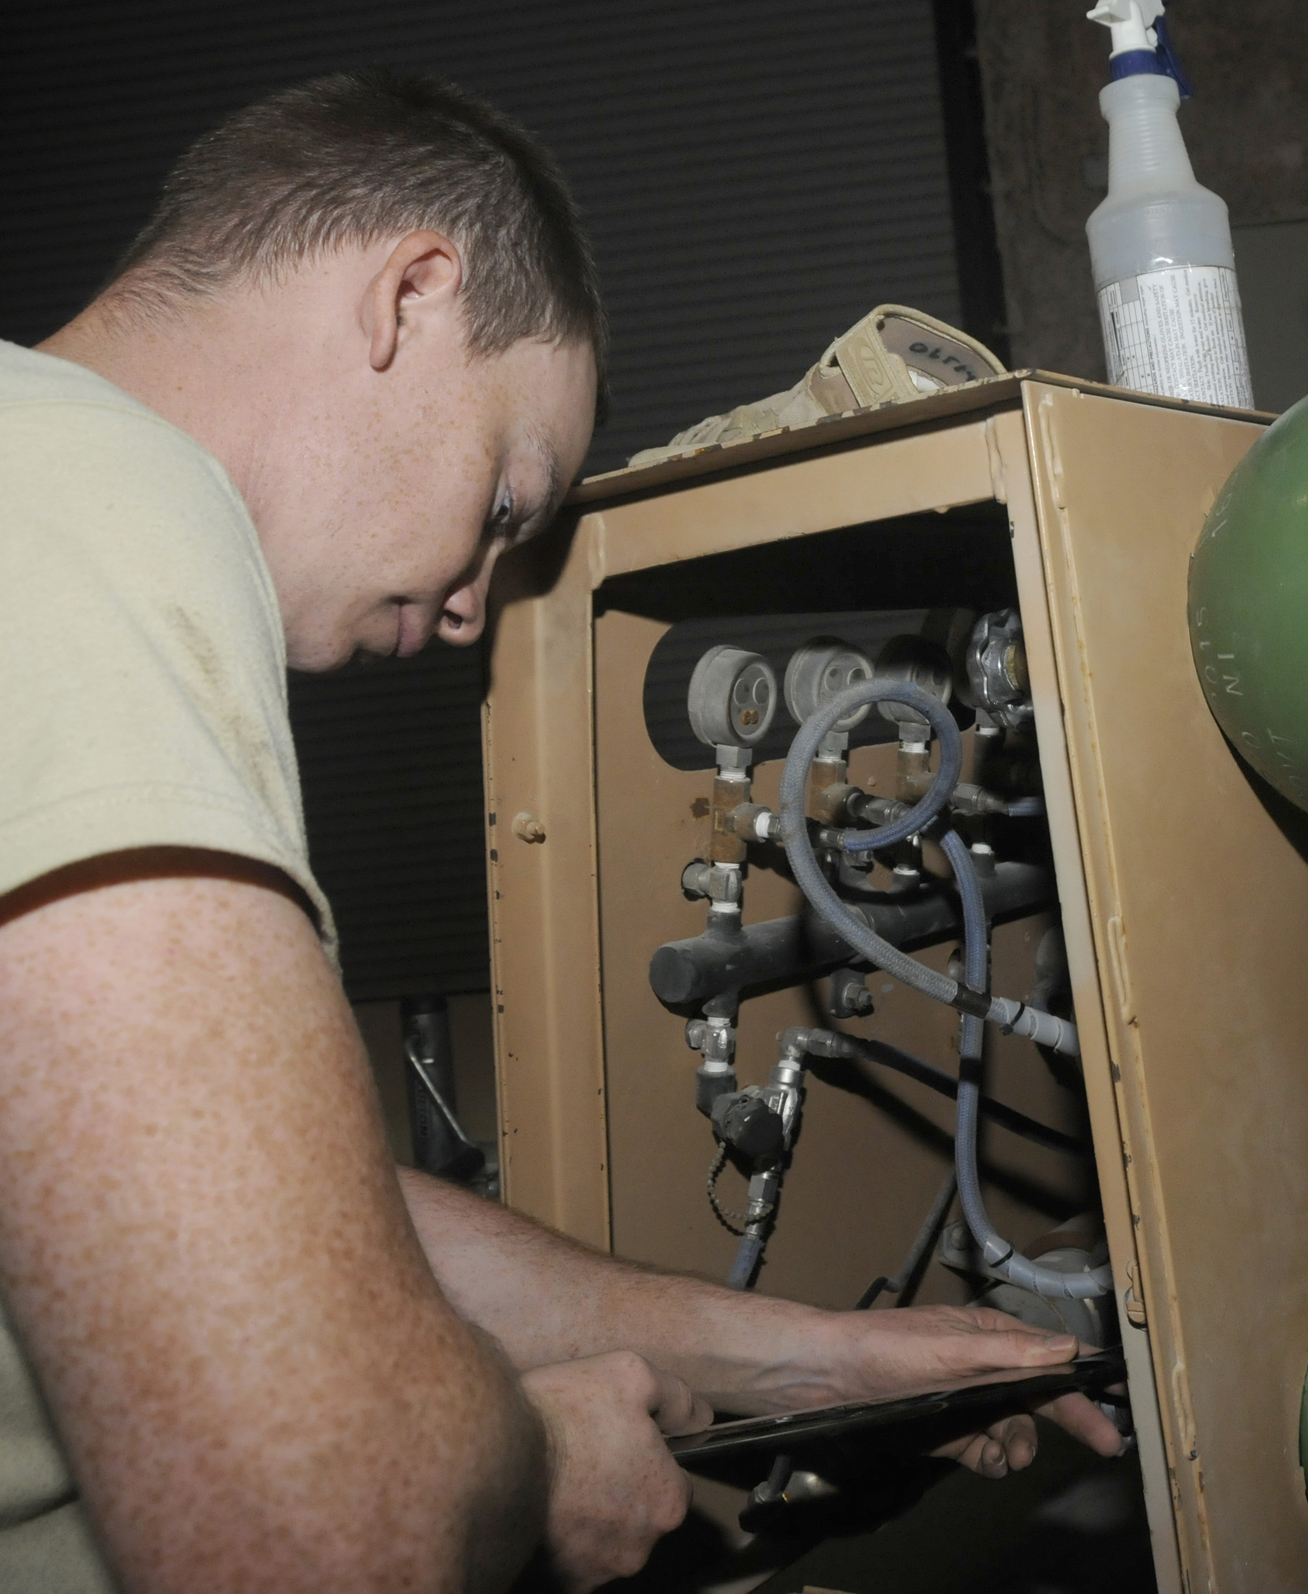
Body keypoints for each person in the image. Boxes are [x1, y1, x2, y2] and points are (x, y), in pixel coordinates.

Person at [0, 70, 1119, 1593]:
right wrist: (536, 1464)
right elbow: (313, 1529)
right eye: (510, 497)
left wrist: (810, 1361)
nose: (474, 600)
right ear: (410, 295)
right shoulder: (95, 508)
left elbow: (265, 1222)